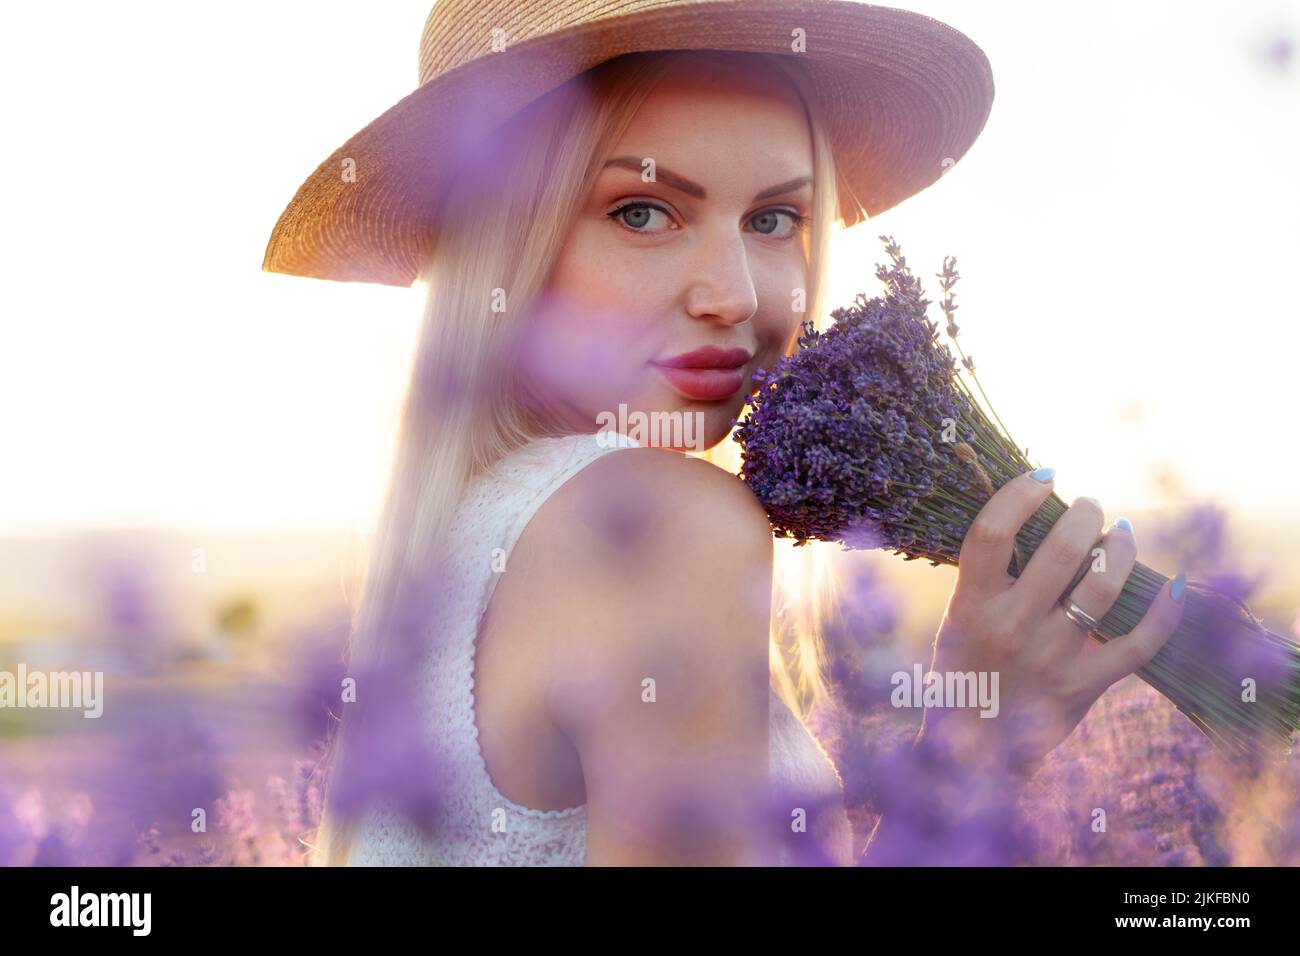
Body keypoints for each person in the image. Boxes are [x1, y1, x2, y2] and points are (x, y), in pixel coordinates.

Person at [262, 1, 1186, 866]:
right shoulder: (656, 520)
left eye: (775, 218)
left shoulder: (460, 542)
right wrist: (979, 749)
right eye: (643, 211)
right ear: (510, 244)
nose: (735, 294)